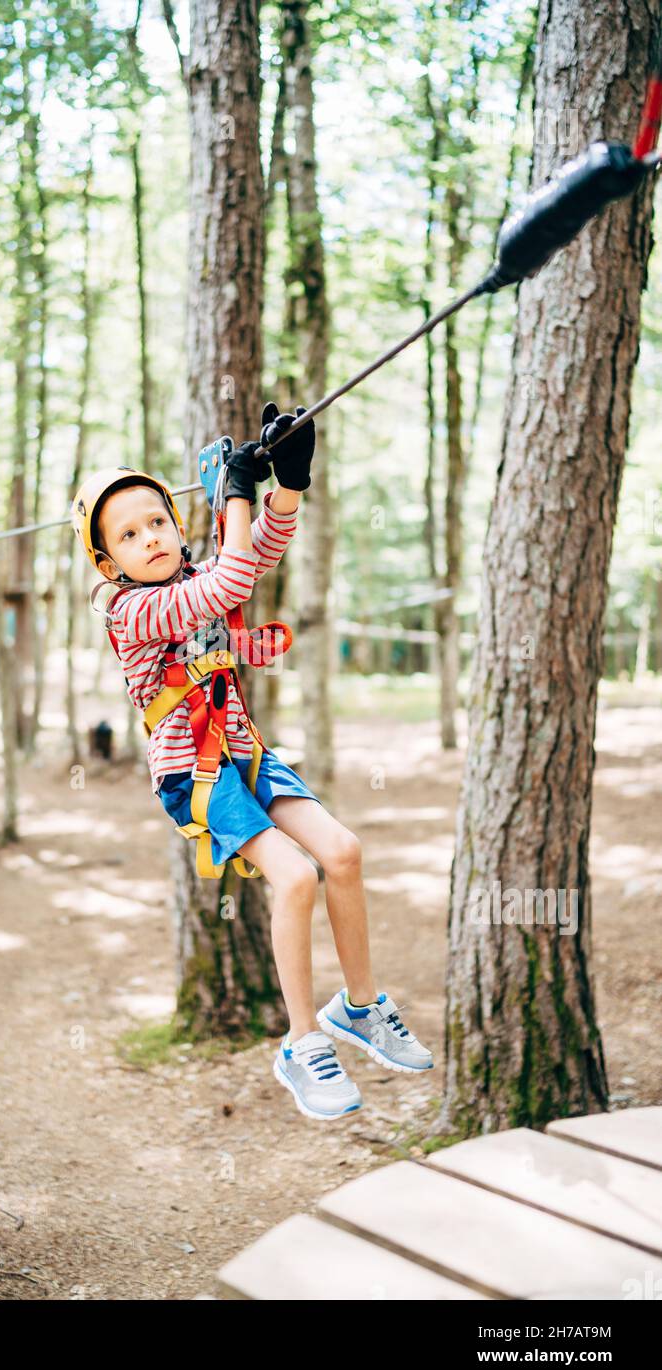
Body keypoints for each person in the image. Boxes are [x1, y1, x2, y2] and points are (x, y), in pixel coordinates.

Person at [71, 403, 432, 1121]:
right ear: (109, 562)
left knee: (344, 852)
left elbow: (254, 554)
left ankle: (360, 1007)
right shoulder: (127, 611)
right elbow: (232, 583)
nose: (152, 538)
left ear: (179, 526)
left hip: (243, 751)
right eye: (130, 534)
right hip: (192, 772)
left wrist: (284, 485)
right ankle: (302, 1043)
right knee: (295, 876)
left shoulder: (190, 576)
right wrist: (234, 491)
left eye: (158, 522)